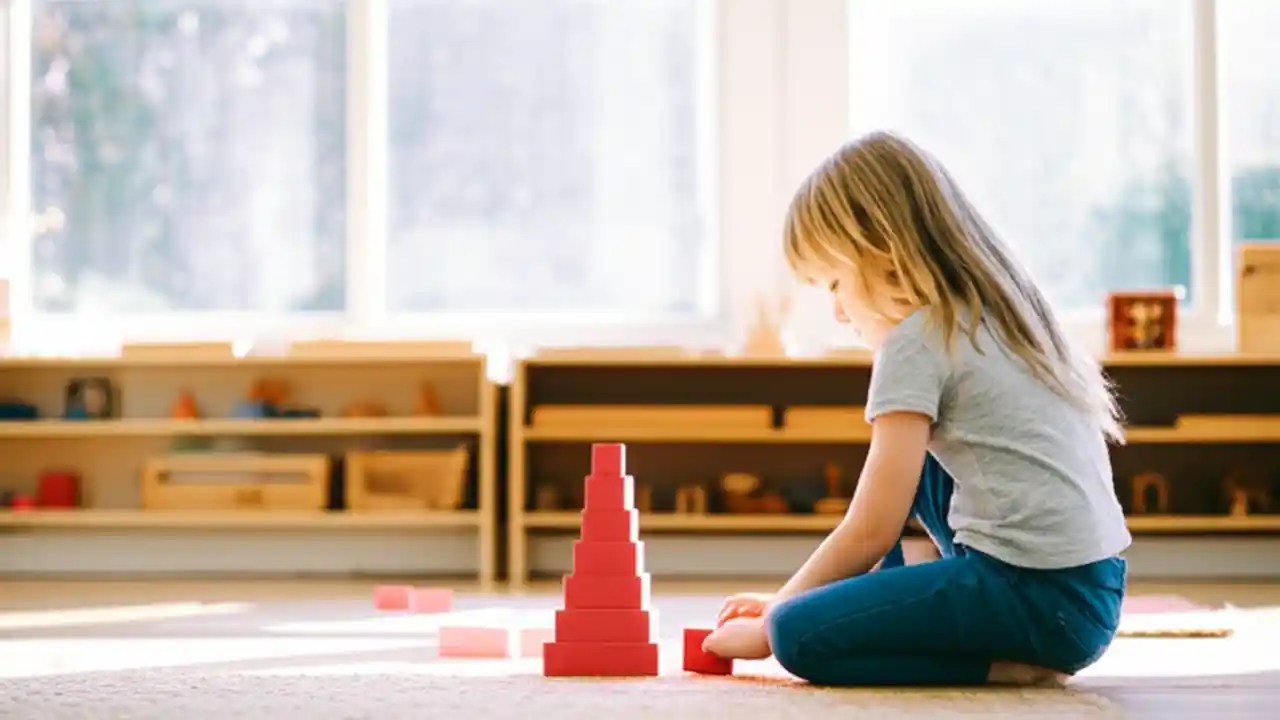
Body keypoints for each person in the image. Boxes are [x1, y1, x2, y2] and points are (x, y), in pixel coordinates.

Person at [702, 131, 1131, 687]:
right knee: (924, 462)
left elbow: (869, 530)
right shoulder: (1008, 317)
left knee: (797, 638)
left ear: (884, 254)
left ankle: (1004, 668)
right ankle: (842, 607)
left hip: (1036, 601)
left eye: (834, 282)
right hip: (1091, 594)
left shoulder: (917, 340)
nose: (835, 312)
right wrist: (798, 597)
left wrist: (773, 622)